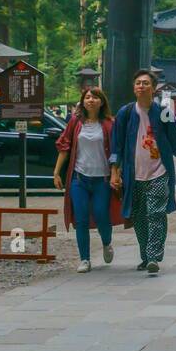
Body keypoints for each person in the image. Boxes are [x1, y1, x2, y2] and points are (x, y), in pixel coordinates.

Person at [109, 69, 176, 275]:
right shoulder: (125, 113)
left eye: (146, 83)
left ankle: (153, 256)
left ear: (154, 88)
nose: (141, 86)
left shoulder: (163, 112)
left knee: (156, 213)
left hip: (159, 171)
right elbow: (116, 146)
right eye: (138, 83)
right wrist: (114, 172)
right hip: (132, 173)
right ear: (134, 88)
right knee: (138, 216)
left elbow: (175, 141)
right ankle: (146, 255)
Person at [54, 86, 116, 272]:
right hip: (79, 178)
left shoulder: (108, 124)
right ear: (83, 101)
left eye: (95, 97)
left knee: (101, 215)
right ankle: (85, 259)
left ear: (102, 101)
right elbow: (64, 147)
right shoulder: (75, 122)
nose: (90, 100)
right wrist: (57, 172)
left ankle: (106, 242)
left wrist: (116, 173)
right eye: (87, 97)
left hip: (102, 180)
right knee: (80, 218)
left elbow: (116, 152)